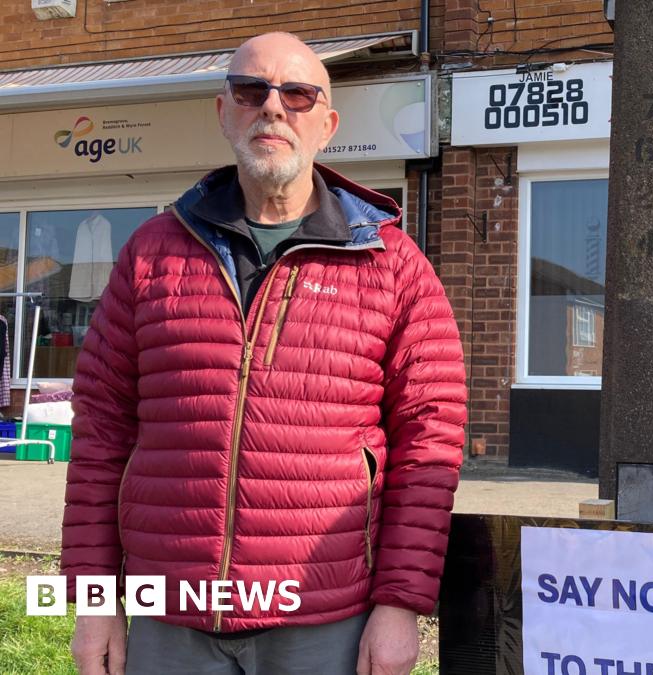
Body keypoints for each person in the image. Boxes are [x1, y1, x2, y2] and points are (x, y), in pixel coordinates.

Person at [61, 32, 467, 675]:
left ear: (327, 124)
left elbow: (430, 446)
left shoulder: (393, 266)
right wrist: (93, 597)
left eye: (298, 93)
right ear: (224, 113)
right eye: (252, 90)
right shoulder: (151, 254)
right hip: (172, 611)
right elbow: (101, 434)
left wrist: (399, 605)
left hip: (324, 615)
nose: (273, 108)